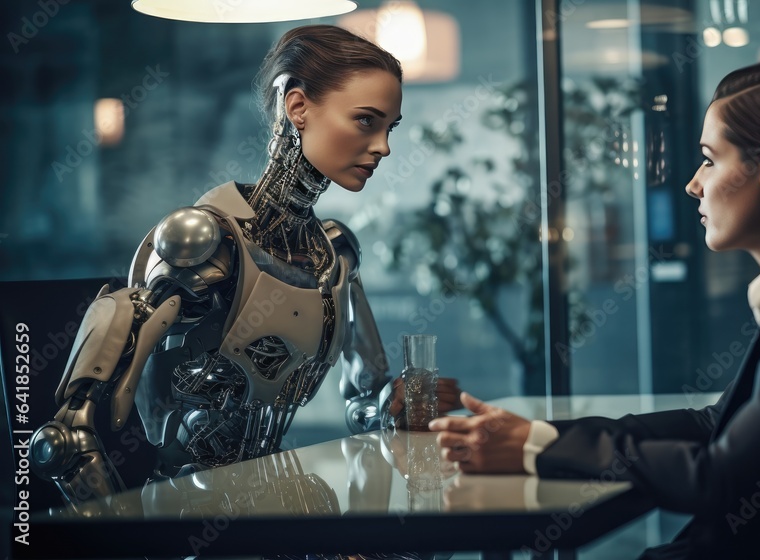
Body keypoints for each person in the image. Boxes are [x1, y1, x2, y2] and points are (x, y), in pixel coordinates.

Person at [429, 56, 760, 560]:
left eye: (710, 161)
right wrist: (539, 437)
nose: (693, 185)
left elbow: (723, 476)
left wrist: (536, 448)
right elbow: (716, 424)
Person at [30, 24, 460, 512]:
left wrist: (397, 405)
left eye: (390, 128)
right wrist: (126, 540)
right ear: (298, 107)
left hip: (293, 510)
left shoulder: (335, 253)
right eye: (366, 121)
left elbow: (365, 404)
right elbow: (63, 442)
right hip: (189, 515)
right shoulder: (203, 242)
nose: (383, 147)